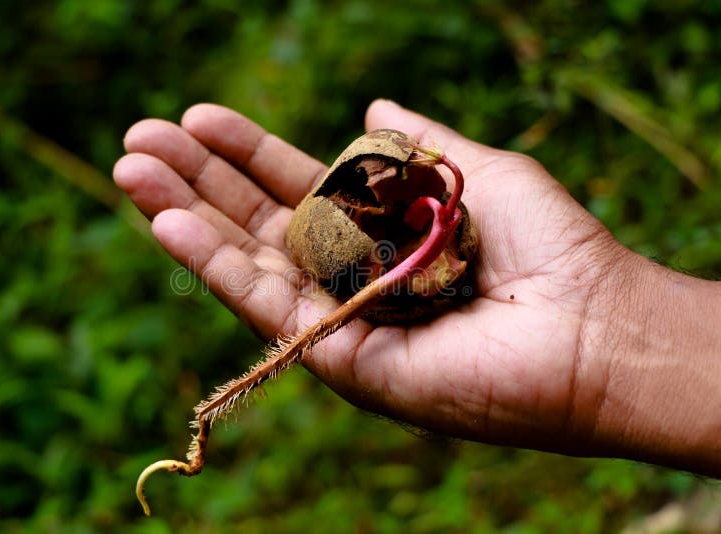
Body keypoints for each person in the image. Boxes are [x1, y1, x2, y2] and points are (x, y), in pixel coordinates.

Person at [113, 99, 720, 478]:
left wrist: (599, 321)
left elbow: (435, 216)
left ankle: (206, 422)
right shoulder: (379, 206)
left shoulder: (452, 230)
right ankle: (205, 423)